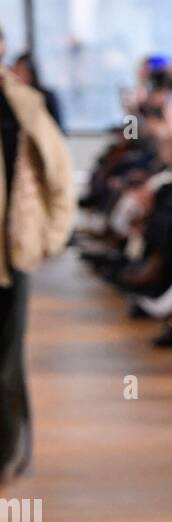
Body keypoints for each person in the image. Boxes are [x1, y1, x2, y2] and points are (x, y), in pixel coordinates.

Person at [0, 56, 75, 479]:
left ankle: (8, 449)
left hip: (14, 250)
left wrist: (51, 235)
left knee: (7, 357)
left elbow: (58, 173)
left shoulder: (22, 105)